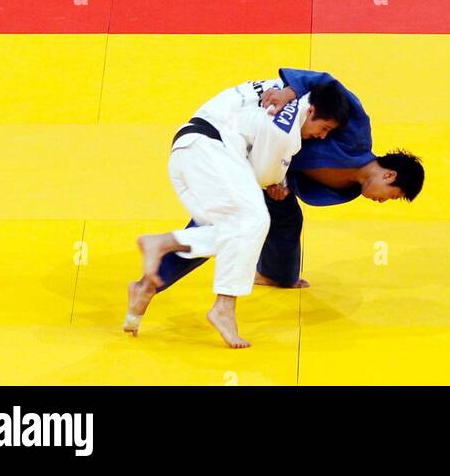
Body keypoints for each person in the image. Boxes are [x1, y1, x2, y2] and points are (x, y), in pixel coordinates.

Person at [127, 70, 424, 324]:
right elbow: (327, 84)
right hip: (241, 151)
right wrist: (289, 92)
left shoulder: (347, 191)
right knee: (225, 224)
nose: (383, 202)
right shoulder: (356, 133)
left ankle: (275, 275)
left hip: (267, 173)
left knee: (286, 219)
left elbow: (290, 166)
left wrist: (280, 185)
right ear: (389, 175)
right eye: (391, 196)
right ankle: (154, 282)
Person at [126, 76, 351, 348]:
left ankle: (147, 280)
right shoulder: (286, 129)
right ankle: (223, 307)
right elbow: (264, 176)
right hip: (208, 150)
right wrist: (279, 183)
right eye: (324, 128)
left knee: (235, 231)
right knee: (255, 220)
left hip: (188, 151)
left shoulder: (279, 87)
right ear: (312, 110)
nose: (322, 136)